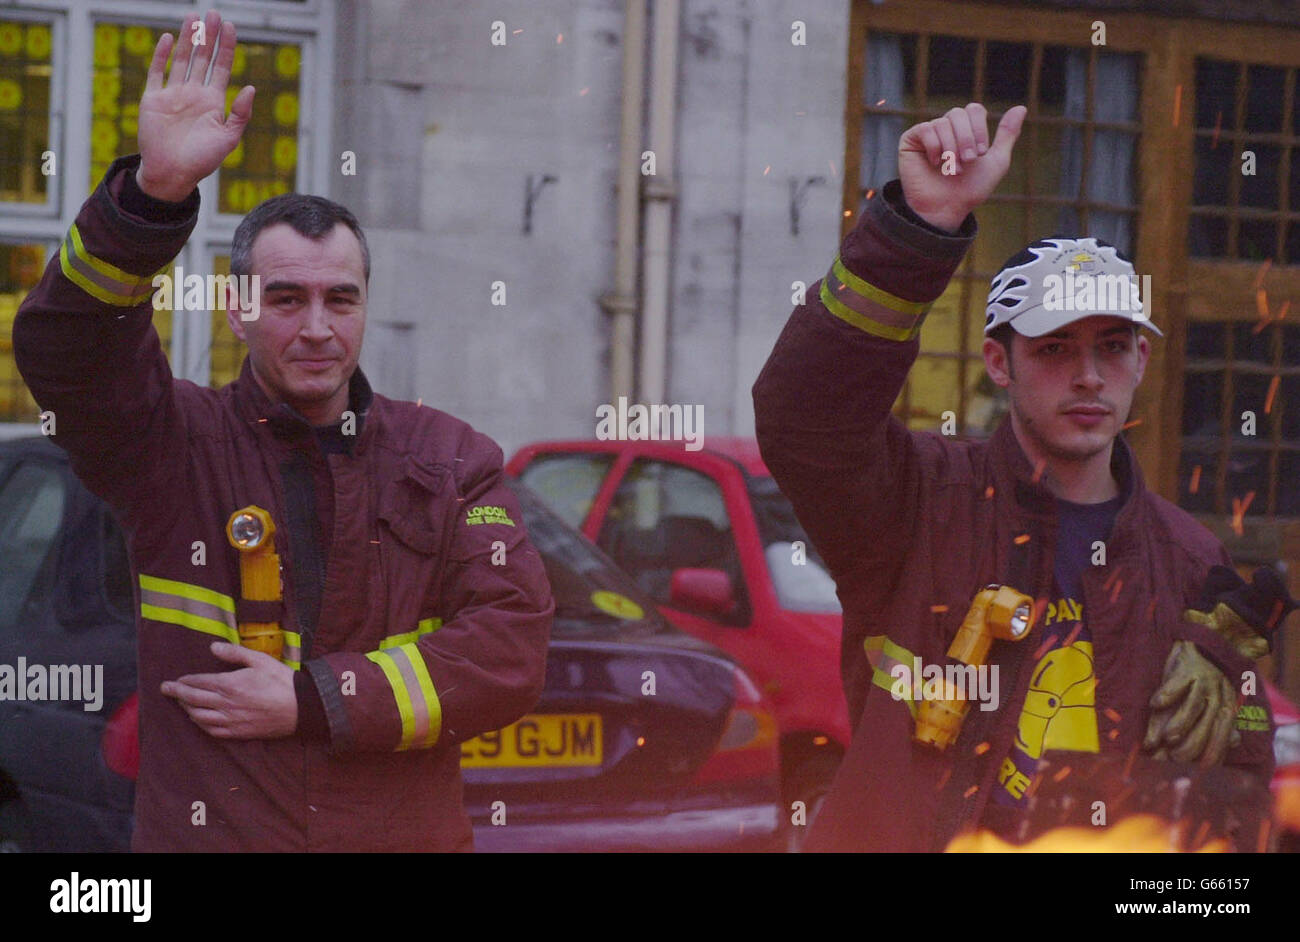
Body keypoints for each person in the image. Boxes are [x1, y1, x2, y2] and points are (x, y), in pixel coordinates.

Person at [14, 11, 553, 852]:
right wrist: (150, 198)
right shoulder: (171, 445)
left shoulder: (453, 463)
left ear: (366, 308)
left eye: (340, 299)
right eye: (286, 299)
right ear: (237, 308)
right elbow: (68, 349)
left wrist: (312, 699)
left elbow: (509, 648)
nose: (316, 328)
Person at [752, 101, 1280, 851]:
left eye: (1112, 346)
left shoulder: (1192, 560)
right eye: (1055, 349)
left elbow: (1237, 793)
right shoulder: (917, 501)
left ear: (1142, 361)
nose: (1089, 376)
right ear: (999, 363)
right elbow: (804, 418)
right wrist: (918, 232)